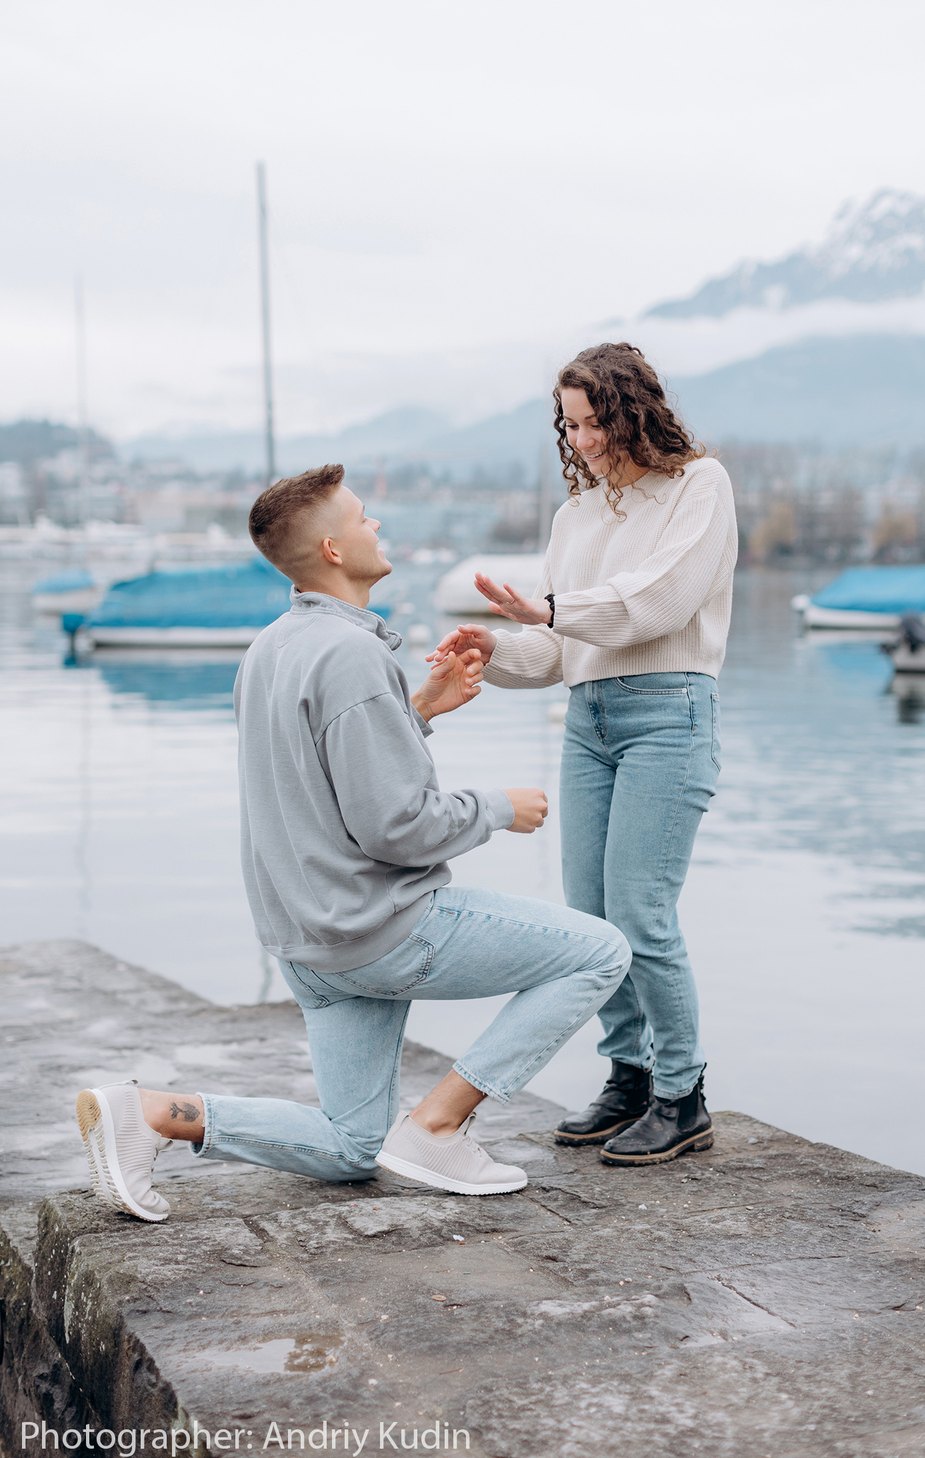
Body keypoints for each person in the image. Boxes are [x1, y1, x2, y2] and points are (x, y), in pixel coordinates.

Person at [75, 463, 631, 1222]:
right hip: (382, 929)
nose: (378, 527)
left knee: (348, 1148)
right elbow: (396, 827)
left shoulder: (270, 650)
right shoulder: (354, 654)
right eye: (364, 518)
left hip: (311, 942)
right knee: (600, 951)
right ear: (334, 550)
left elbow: (318, 780)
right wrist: (498, 807)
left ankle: (155, 1114)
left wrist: (420, 710)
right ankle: (439, 1126)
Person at [433, 343, 737, 1168]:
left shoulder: (698, 488)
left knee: (642, 912)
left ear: (636, 409)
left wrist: (552, 609)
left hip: (669, 713)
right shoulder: (576, 517)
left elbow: (660, 604)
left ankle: (683, 1096)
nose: (585, 440)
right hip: (588, 720)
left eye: (596, 421)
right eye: (571, 426)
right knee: (592, 918)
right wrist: (490, 649)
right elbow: (560, 654)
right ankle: (629, 1078)